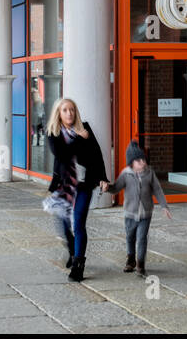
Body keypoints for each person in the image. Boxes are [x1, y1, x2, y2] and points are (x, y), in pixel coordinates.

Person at [46, 97, 106, 282]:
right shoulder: (53, 133)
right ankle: (72, 247)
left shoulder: (85, 128)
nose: (69, 113)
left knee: (78, 222)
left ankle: (78, 265)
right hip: (64, 185)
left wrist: (103, 177)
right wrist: (80, 138)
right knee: (64, 223)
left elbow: (96, 154)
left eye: (72, 109)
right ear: (59, 113)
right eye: (65, 110)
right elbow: (62, 154)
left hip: (83, 184)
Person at [100, 140, 170, 278]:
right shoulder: (126, 174)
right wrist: (108, 188)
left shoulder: (149, 173)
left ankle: (141, 265)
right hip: (130, 213)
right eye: (138, 161)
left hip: (146, 213)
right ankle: (131, 260)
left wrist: (164, 205)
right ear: (131, 163)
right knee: (130, 237)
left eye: (143, 159)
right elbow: (117, 188)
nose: (142, 163)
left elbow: (157, 189)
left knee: (142, 238)